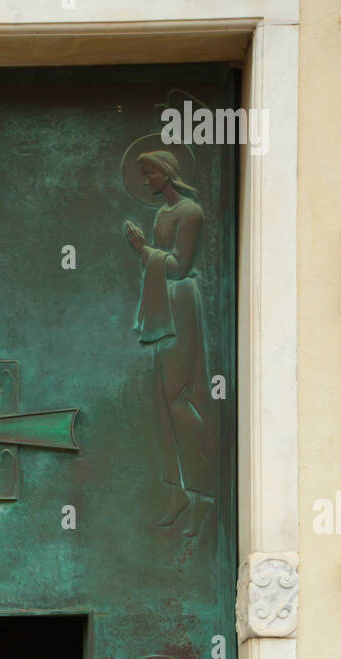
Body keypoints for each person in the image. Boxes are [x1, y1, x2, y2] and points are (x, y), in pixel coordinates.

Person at [124, 151, 216, 536]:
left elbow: (178, 264)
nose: (146, 181)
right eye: (143, 176)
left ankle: (203, 494)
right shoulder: (163, 214)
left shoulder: (191, 212)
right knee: (163, 402)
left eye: (150, 174)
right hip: (163, 306)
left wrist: (142, 250)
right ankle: (177, 491)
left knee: (178, 398)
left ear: (167, 173)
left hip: (180, 304)